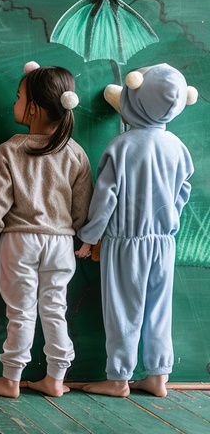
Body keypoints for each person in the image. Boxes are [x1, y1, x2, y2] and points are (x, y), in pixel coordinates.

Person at [0, 62, 93, 398]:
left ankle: (11, 379)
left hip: (20, 240)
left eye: (18, 97)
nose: (13, 104)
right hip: (62, 242)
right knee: (55, 308)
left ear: (34, 108)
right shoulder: (76, 153)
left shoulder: (9, 151)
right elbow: (81, 209)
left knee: (20, 312)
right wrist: (82, 237)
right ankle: (56, 377)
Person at [78, 64, 196, 398]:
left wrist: (89, 237)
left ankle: (118, 378)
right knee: (159, 309)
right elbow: (182, 193)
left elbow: (106, 197)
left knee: (123, 310)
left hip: (126, 242)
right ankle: (159, 376)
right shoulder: (178, 147)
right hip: (164, 242)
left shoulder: (123, 146)